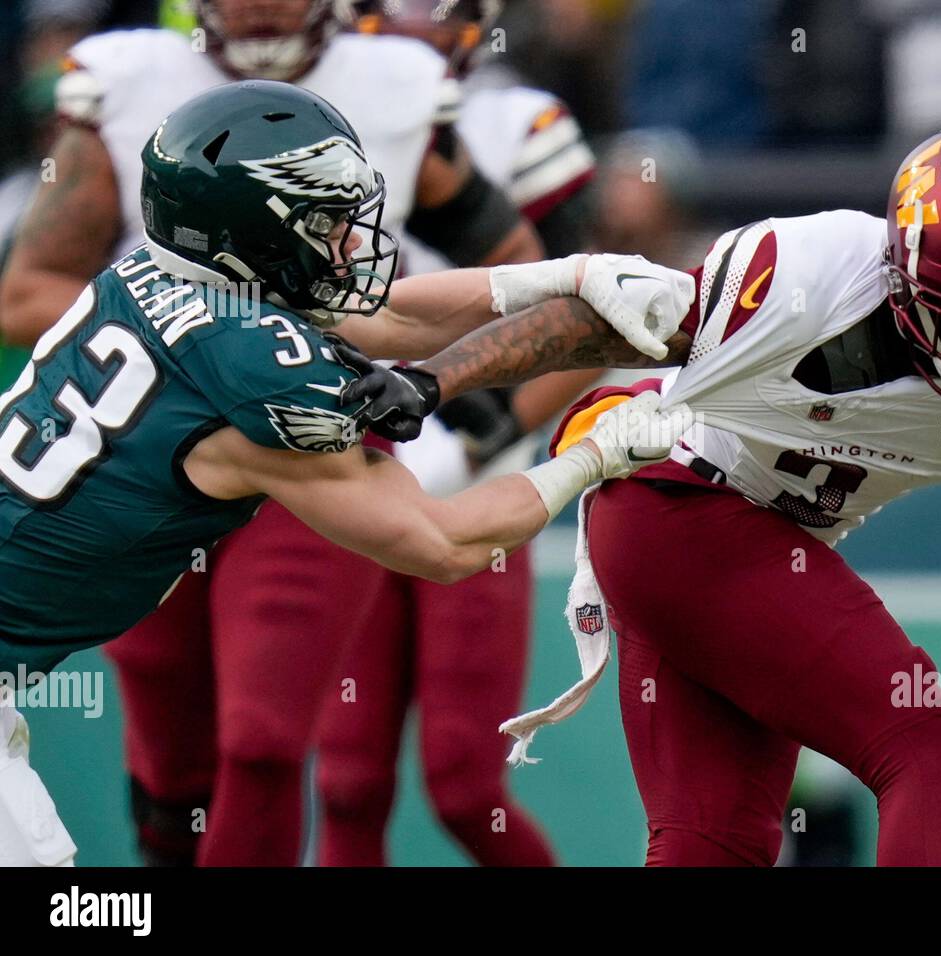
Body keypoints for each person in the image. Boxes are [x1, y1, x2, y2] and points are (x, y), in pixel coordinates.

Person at [348, 121, 941, 865]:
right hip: (683, 505)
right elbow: (597, 317)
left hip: (719, 537)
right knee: (933, 751)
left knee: (713, 843)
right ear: (902, 276)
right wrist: (434, 382)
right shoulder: (806, 274)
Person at [0, 79, 693, 867]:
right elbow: (444, 542)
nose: (350, 245)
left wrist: (564, 275)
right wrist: (595, 453)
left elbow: (391, 315)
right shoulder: (252, 380)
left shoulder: (159, 277)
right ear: (248, 234)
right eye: (326, 224)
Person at [314, 0, 600, 867]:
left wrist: (484, 430)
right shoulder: (309, 114)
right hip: (345, 458)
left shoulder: (517, 123)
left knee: (465, 785)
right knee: (347, 782)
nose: (414, 29)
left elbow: (597, 320)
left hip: (474, 475)